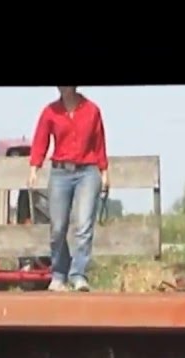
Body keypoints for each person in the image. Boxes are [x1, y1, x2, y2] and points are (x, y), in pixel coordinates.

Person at [27, 86, 110, 292]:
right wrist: (34, 168)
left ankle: (78, 274)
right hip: (60, 172)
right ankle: (59, 273)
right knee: (57, 227)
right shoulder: (50, 112)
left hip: (87, 172)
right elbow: (41, 141)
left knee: (83, 224)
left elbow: (99, 143)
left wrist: (104, 171)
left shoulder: (92, 110)